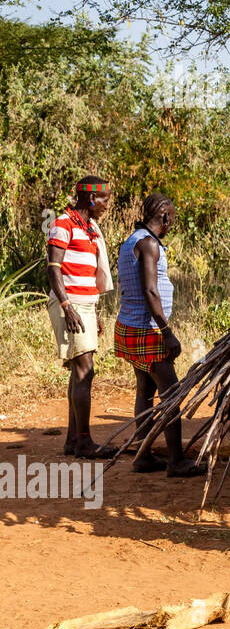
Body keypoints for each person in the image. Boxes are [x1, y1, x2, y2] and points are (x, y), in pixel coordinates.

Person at [113, 194, 204, 476]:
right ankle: (176, 461)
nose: (172, 223)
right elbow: (150, 290)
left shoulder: (131, 241)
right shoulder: (149, 243)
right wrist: (167, 333)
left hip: (129, 326)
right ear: (164, 215)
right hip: (149, 331)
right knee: (171, 394)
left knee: (145, 389)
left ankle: (143, 455)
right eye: (172, 217)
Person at [46, 176, 115, 458]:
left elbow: (87, 273)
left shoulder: (88, 227)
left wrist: (94, 311)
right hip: (71, 304)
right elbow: (53, 268)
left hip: (84, 304)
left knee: (79, 372)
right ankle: (84, 442)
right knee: (85, 371)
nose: (107, 205)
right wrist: (67, 306)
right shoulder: (62, 224)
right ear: (90, 199)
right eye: (105, 199)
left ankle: (73, 440)